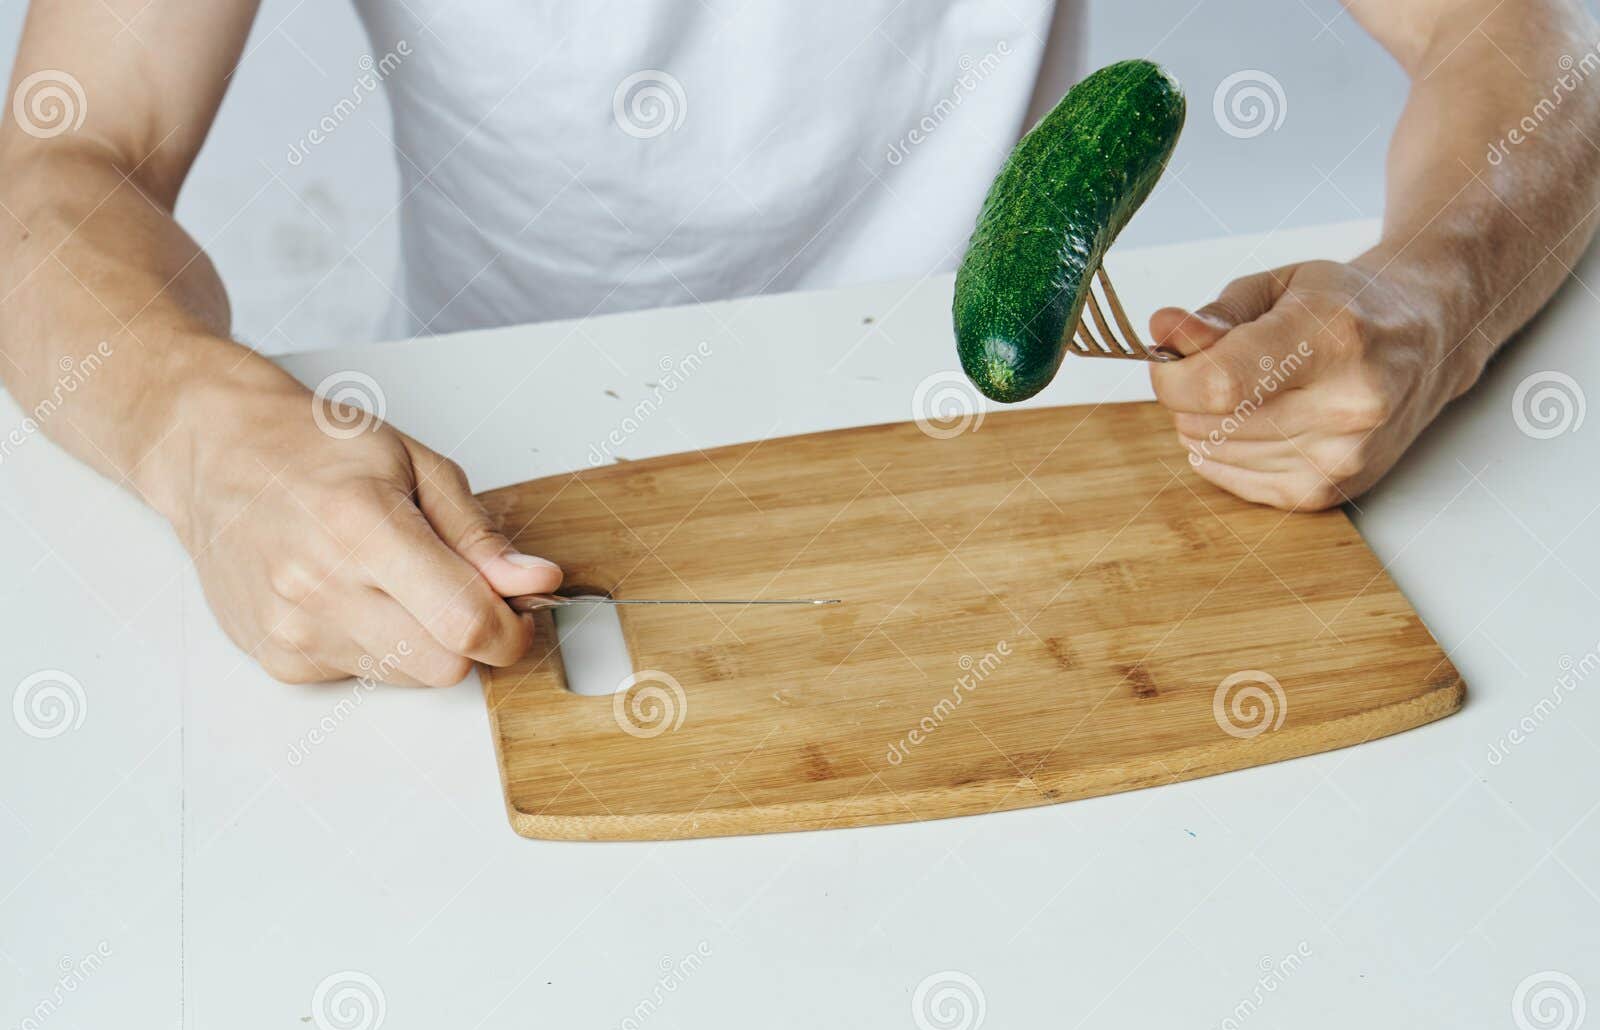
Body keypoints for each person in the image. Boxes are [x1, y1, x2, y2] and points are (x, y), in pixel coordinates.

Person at [2, 0, 1596, 686]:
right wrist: (203, 439)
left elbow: (1525, 58)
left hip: (1043, 489)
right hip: (500, 489)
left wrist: (1429, 298)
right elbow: (65, 167)